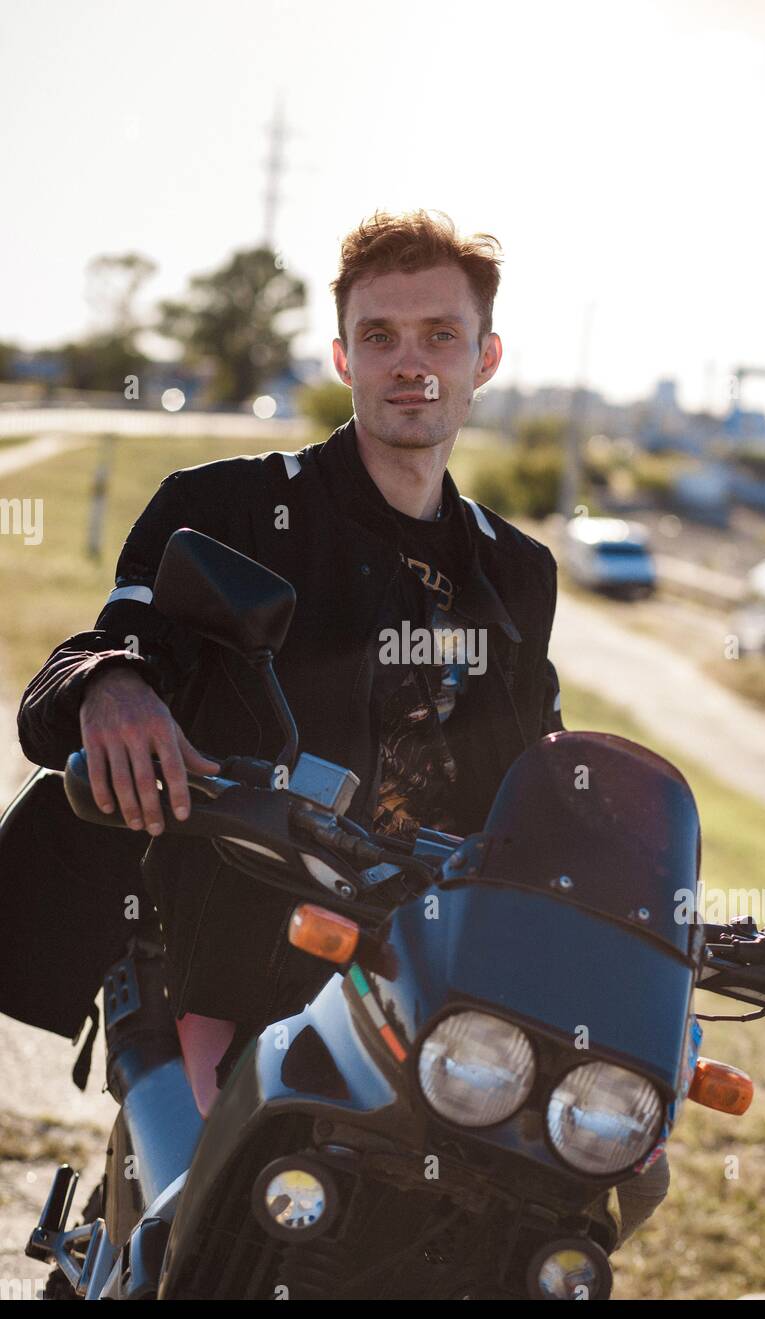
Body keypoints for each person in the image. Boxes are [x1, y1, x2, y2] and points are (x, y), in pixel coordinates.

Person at [17, 208, 668, 1241]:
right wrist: (113, 689)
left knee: (571, 1197)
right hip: (238, 949)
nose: (409, 363)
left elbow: (536, 766)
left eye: (439, 336)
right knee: (204, 1224)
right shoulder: (223, 506)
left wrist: (641, 874)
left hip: (438, 982)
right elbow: (105, 648)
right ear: (342, 356)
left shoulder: (516, 569)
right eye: (379, 336)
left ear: (484, 357)